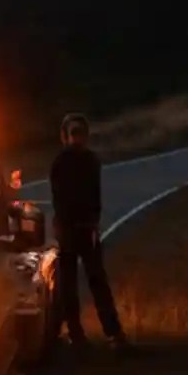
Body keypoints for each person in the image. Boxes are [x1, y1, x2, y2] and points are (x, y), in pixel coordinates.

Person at [48, 112, 132, 353]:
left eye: (78, 133)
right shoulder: (73, 161)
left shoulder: (77, 161)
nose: (77, 138)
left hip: (79, 228)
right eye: (74, 133)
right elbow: (68, 197)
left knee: (83, 282)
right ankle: (92, 333)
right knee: (79, 283)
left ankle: (96, 333)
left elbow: (87, 196)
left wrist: (90, 223)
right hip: (75, 228)